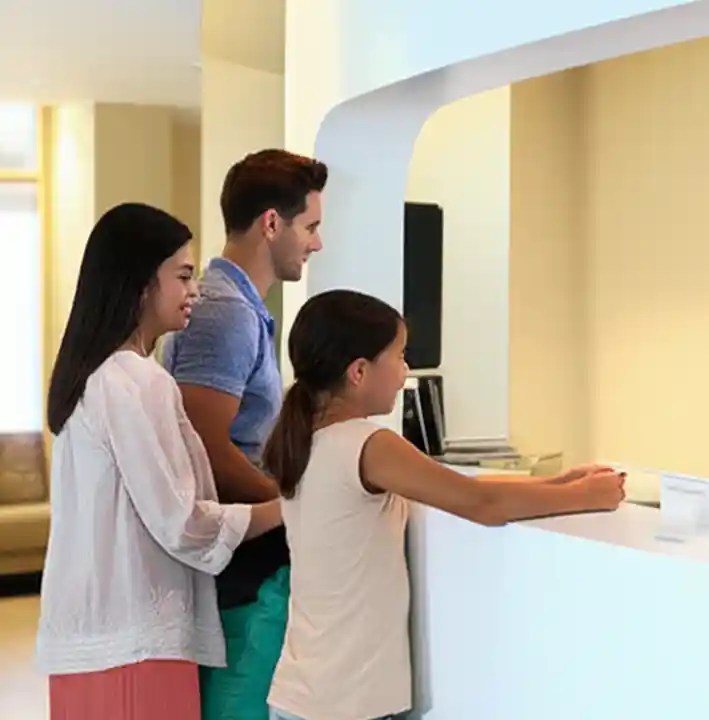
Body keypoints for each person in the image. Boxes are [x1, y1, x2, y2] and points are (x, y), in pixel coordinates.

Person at [262, 289, 626, 720]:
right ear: (359, 371)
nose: (405, 371)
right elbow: (480, 502)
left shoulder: (307, 441)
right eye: (398, 356)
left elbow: (449, 486)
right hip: (345, 705)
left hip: (301, 697)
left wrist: (554, 481)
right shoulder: (366, 444)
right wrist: (584, 497)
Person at [35, 203, 282, 720]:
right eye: (184, 276)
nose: (194, 291)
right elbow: (182, 521)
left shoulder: (95, 378)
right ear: (141, 284)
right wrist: (281, 510)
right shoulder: (137, 381)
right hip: (138, 641)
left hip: (90, 640)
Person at [159, 149, 328, 717]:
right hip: (238, 555)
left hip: (243, 549)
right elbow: (205, 448)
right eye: (311, 226)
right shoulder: (226, 311)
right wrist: (288, 508)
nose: (316, 243)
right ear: (272, 224)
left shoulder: (237, 308)